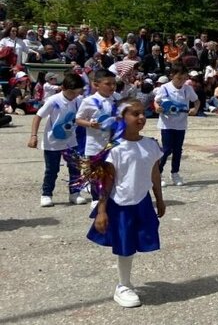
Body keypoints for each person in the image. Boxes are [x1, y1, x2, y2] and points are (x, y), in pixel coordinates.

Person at [86, 99, 166, 307]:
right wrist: (101, 210)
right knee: (125, 245)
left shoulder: (151, 144)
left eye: (143, 113)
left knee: (138, 240)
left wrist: (159, 198)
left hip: (142, 201)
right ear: (121, 118)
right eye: (135, 114)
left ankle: (125, 283)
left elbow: (154, 173)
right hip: (120, 203)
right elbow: (106, 182)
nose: (141, 117)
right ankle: (123, 285)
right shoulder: (115, 149)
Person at [29, 73, 88, 207]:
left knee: (75, 168)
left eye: (77, 93)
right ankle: (46, 194)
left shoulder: (79, 100)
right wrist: (33, 136)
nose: (74, 95)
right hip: (52, 143)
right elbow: (38, 117)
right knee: (52, 170)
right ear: (63, 88)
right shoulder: (53, 101)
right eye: (72, 93)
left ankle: (75, 193)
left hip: (71, 141)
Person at [75, 69, 119, 207]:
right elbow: (78, 119)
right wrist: (90, 124)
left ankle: (111, 196)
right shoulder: (89, 101)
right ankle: (96, 198)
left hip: (114, 143)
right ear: (96, 84)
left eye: (114, 83)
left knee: (112, 170)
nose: (112, 87)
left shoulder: (117, 99)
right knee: (96, 172)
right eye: (108, 84)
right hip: (95, 143)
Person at [153, 64, 199, 187]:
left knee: (178, 149)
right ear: (172, 76)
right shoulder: (164, 88)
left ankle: (175, 173)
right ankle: (158, 172)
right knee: (167, 149)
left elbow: (196, 100)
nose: (181, 81)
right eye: (179, 78)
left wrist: (195, 109)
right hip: (167, 124)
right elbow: (156, 101)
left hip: (181, 124)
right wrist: (157, 108)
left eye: (184, 78)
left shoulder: (187, 89)